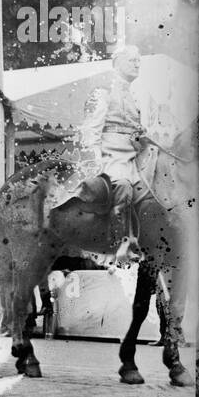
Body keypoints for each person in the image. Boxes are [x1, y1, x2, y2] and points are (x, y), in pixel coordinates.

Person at [78, 44, 154, 265]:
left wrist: (142, 138)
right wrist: (96, 161)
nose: (137, 63)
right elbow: (91, 130)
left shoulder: (136, 95)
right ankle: (121, 243)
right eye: (132, 60)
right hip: (111, 153)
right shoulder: (104, 91)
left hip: (134, 155)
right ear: (116, 64)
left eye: (139, 60)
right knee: (122, 185)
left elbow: (136, 130)